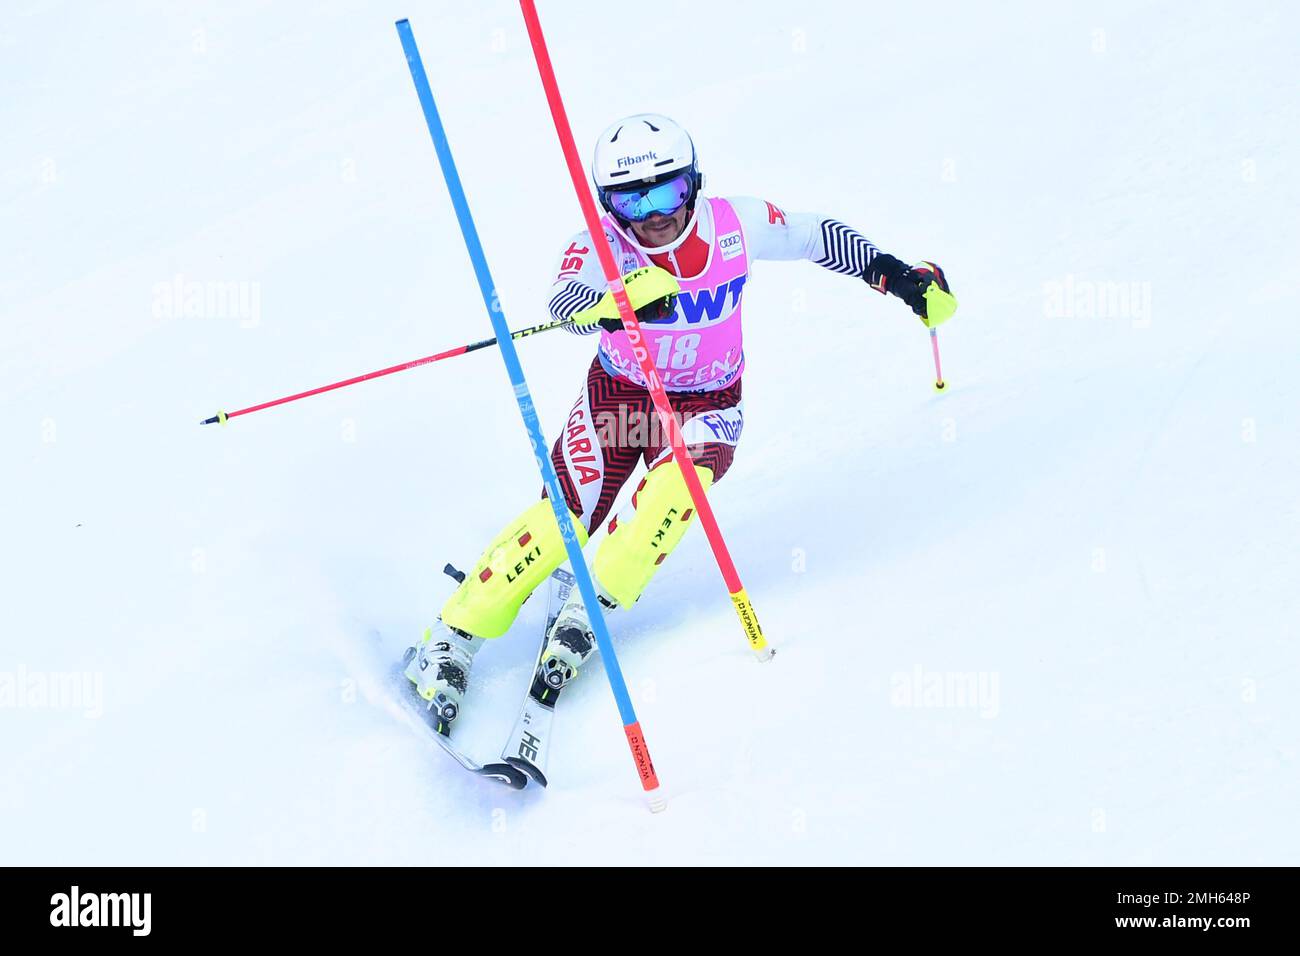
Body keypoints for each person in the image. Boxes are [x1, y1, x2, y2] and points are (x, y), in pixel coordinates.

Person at [403, 113, 955, 731]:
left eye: (664, 191)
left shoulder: (732, 224)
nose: (651, 213)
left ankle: (591, 608)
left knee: (671, 497)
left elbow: (810, 235)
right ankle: (452, 635)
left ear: (692, 183)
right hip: (621, 396)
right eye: (628, 198)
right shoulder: (603, 244)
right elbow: (566, 299)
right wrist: (610, 304)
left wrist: (894, 274)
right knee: (563, 519)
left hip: (707, 403)